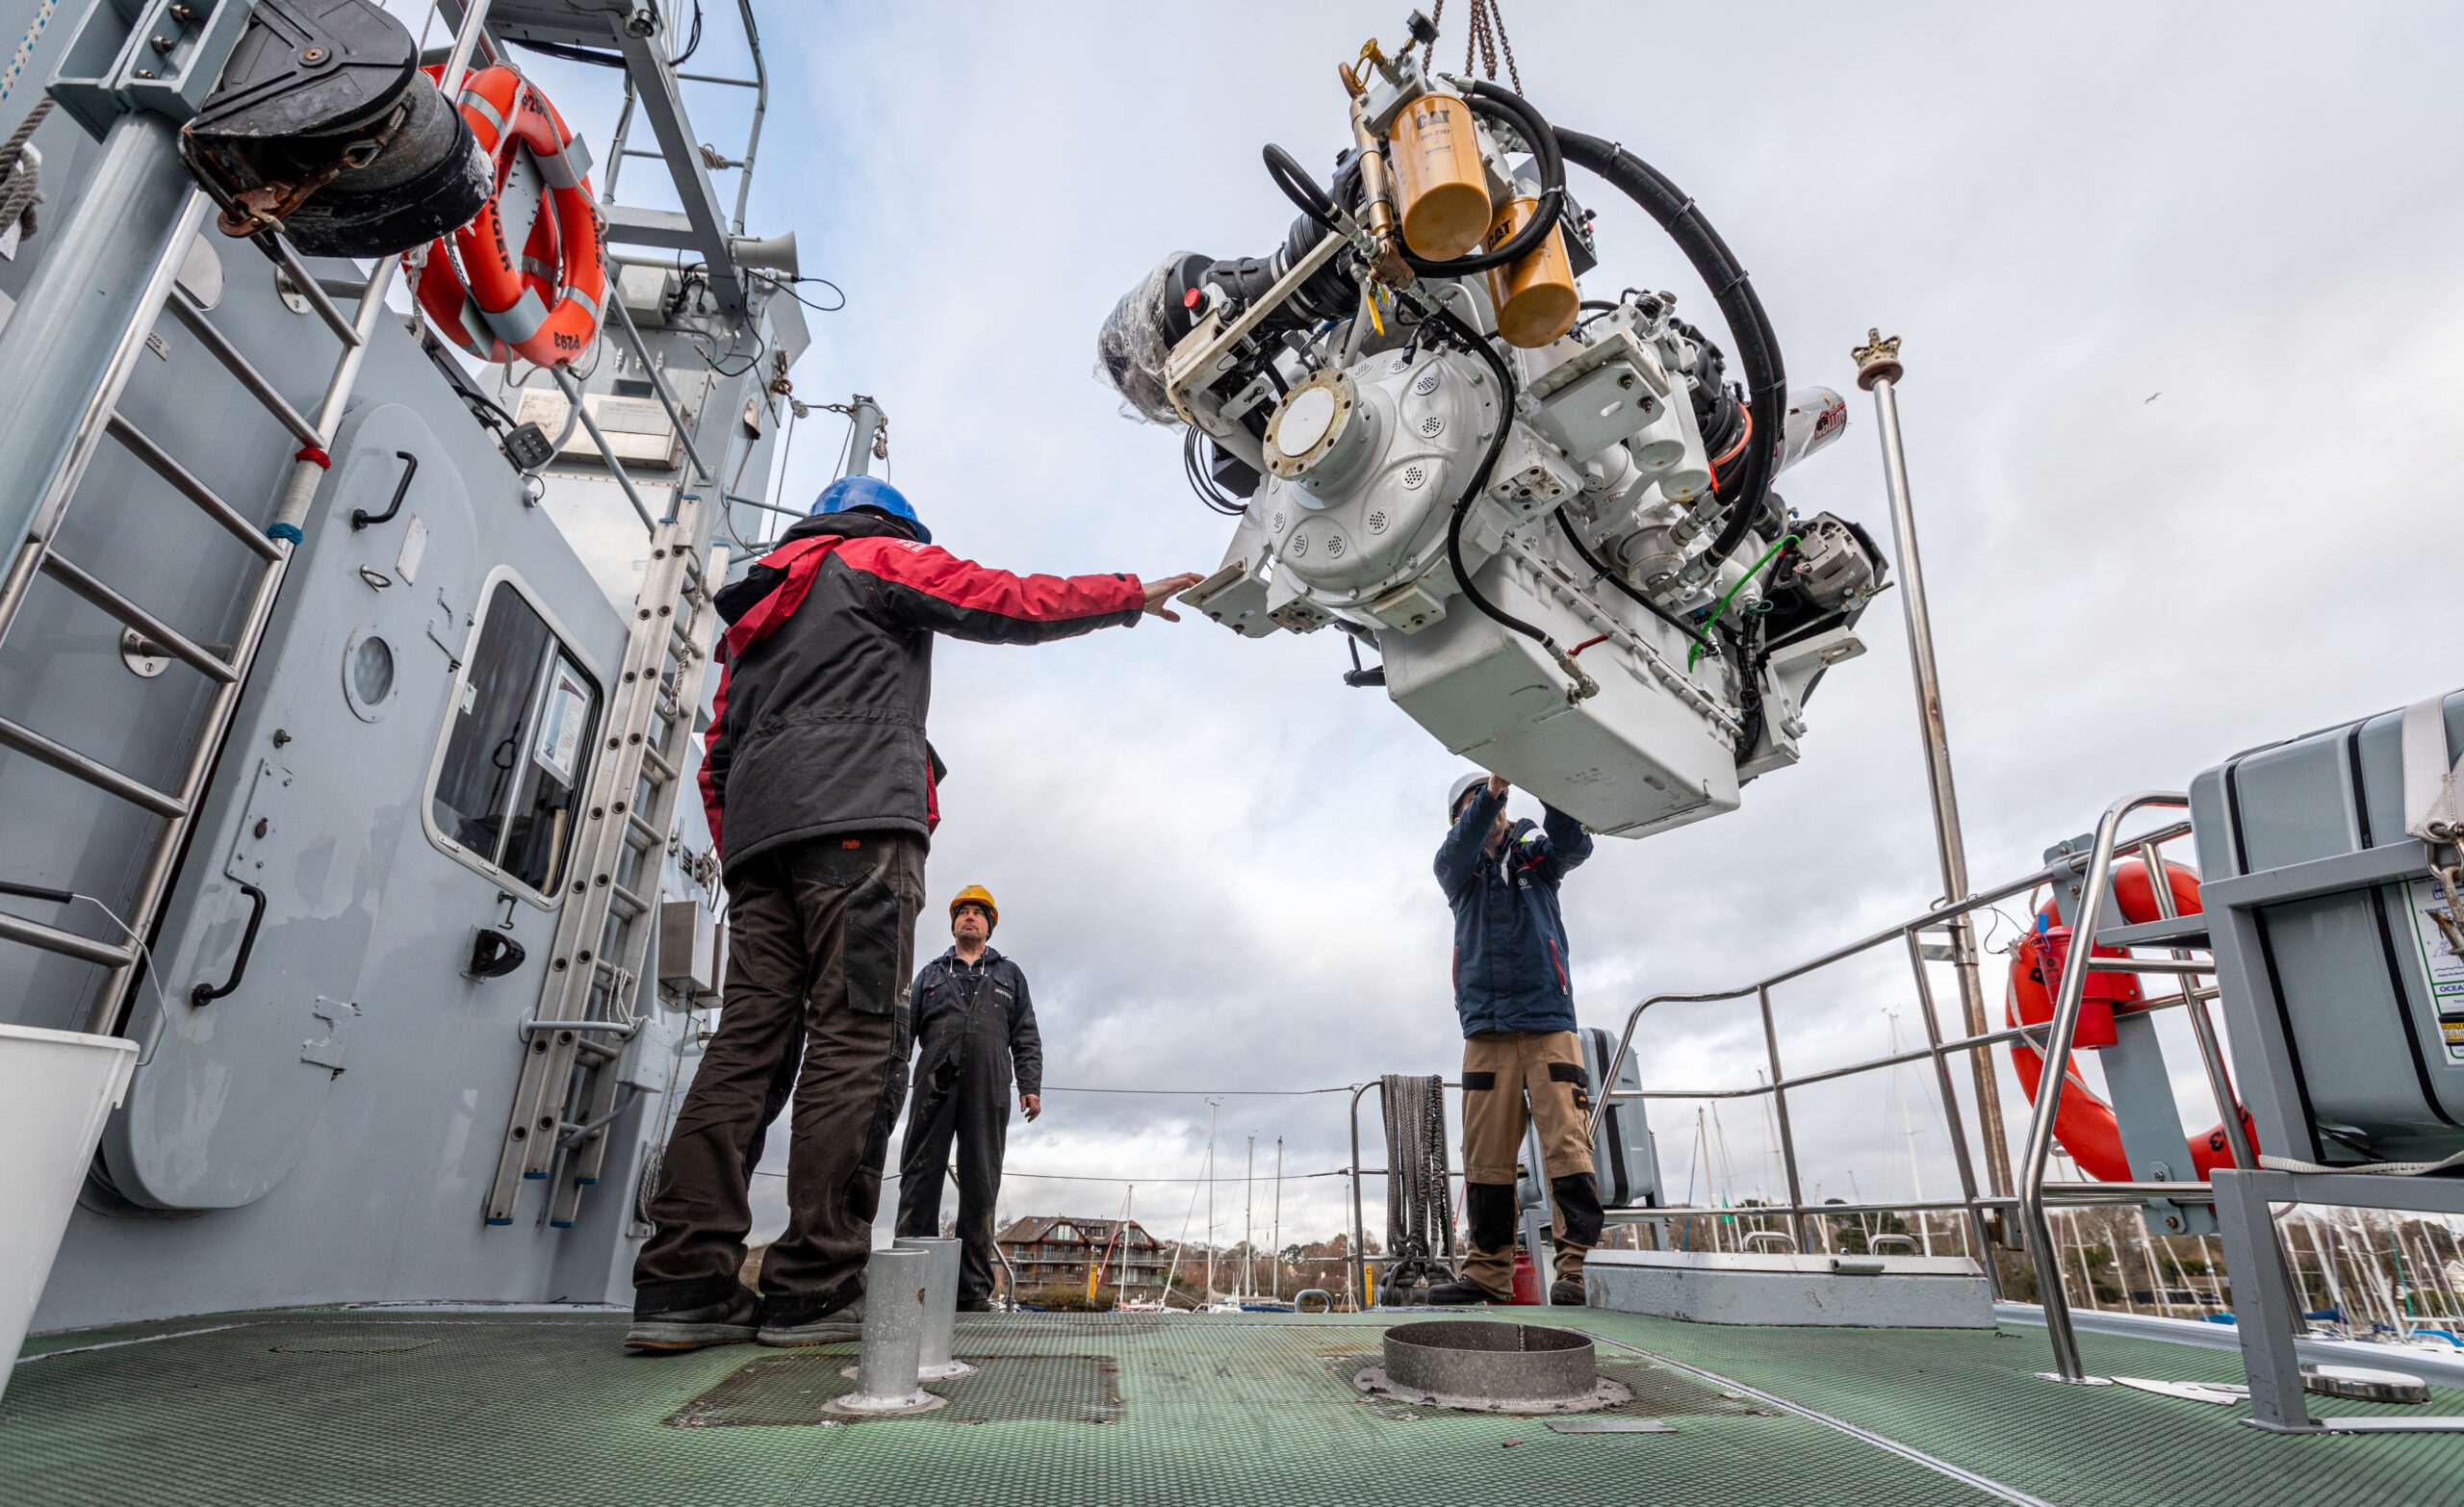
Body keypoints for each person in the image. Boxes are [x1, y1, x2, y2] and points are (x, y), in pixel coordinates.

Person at [625, 475, 1200, 1352]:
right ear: (892, 524)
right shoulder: (874, 559)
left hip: (757, 847)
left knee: (745, 1044)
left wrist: (746, 851)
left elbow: (718, 757)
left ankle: (682, 1284)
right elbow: (1001, 599)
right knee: (856, 1040)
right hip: (858, 836)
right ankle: (812, 1286)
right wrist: (1126, 597)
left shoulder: (758, 610)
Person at [1424, 771, 1604, 1307]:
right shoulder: (1457, 871)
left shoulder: (1537, 859)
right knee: (1486, 1159)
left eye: (1492, 797)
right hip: (1486, 1031)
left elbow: (1575, 844)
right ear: (1461, 818)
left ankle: (1573, 1272)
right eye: (1473, 804)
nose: (1486, 807)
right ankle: (1486, 1274)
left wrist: (1544, 772)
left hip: (1548, 1022)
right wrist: (1495, 789)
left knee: (1567, 1147)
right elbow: (1456, 849)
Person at [895, 884, 1040, 1311]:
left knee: (981, 1184)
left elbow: (1026, 1035)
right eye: (962, 912)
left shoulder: (1010, 976)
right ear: (954, 923)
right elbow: (902, 1034)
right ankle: (910, 1285)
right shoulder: (930, 975)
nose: (969, 917)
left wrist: (1030, 1084)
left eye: (978, 912)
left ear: (989, 926)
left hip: (989, 1087)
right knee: (920, 1179)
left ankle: (972, 1291)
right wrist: (886, 1079)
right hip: (933, 1086)